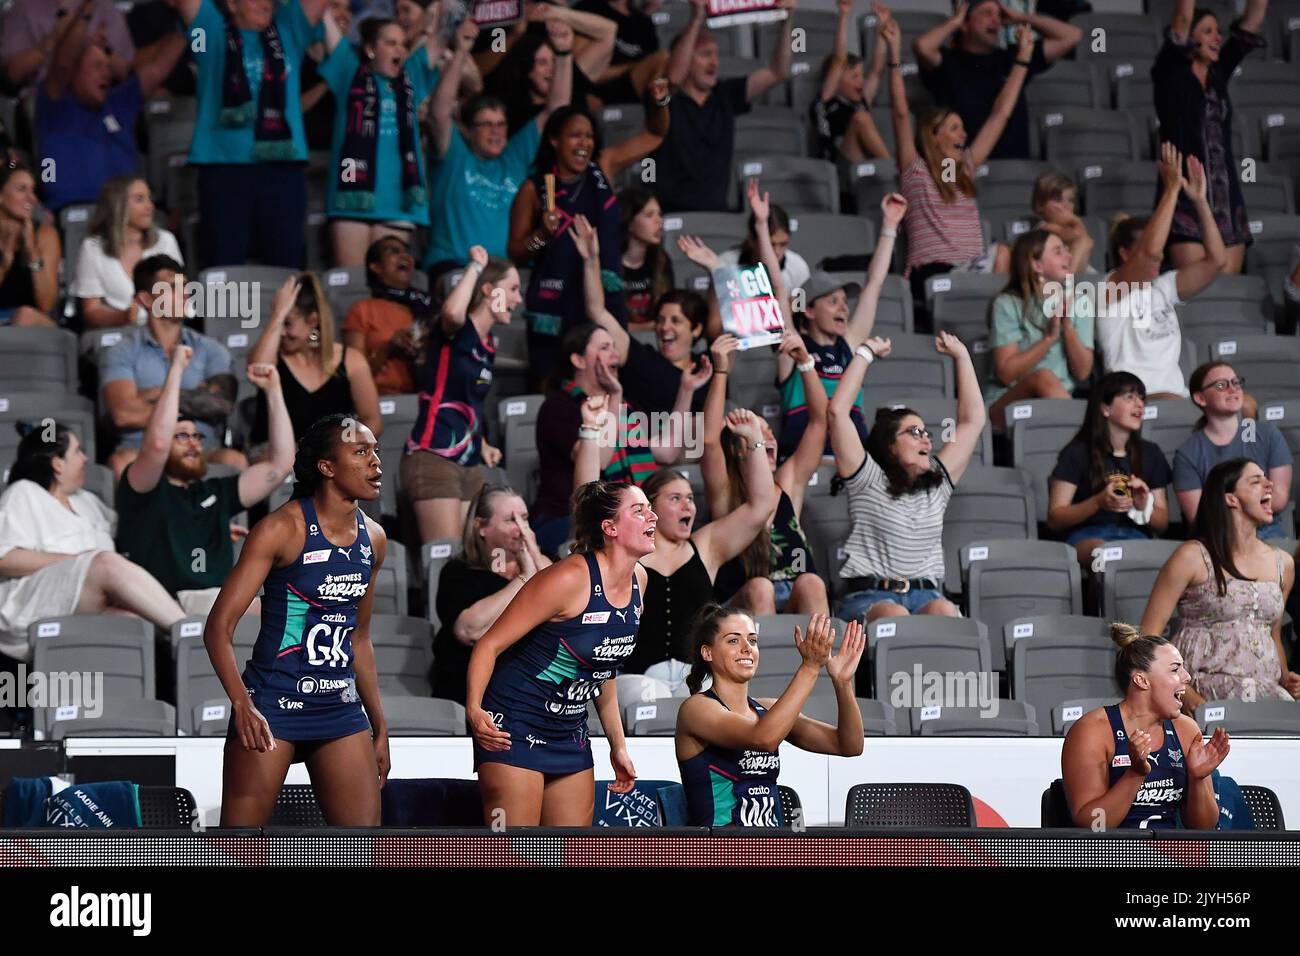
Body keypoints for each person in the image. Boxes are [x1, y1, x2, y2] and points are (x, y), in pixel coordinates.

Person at [205, 413, 390, 826]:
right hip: (273, 705)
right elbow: (218, 627)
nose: (376, 462)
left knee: (365, 853)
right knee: (237, 851)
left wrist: (379, 725)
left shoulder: (374, 538)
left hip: (340, 708)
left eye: (375, 450)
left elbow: (359, 639)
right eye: (360, 452)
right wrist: (243, 704)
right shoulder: (280, 530)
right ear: (327, 467)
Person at [466, 479, 652, 826]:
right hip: (515, 725)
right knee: (517, 857)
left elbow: (603, 668)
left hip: (569, 732)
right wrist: (475, 710)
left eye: (649, 508)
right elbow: (489, 644)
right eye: (639, 511)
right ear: (609, 527)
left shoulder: (640, 580)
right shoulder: (567, 579)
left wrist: (618, 746)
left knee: (568, 855)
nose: (651, 517)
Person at [115, 344, 295, 616]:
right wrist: (176, 370)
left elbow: (279, 466)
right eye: (182, 436)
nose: (193, 444)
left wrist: (273, 391)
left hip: (215, 602)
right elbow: (158, 444)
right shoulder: (143, 488)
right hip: (161, 604)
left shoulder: (215, 492)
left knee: (292, 606)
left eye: (197, 436)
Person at [509, 95, 669, 385]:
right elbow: (517, 253)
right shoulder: (533, 190)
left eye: (589, 136)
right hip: (555, 306)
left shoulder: (603, 167)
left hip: (604, 301)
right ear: (555, 141)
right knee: (555, 392)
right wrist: (541, 236)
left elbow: (656, 133)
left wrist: (660, 101)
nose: (584, 143)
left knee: (611, 385)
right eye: (575, 136)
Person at [0, 422, 185, 669]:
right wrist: (79, 561)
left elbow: (138, 532)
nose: (86, 458)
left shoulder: (87, 501)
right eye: (77, 451)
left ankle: (180, 674)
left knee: (137, 622)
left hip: (90, 601)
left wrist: (208, 532)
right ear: (57, 463)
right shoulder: (24, 493)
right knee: (105, 562)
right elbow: (5, 559)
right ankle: (193, 634)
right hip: (32, 604)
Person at [830, 332, 984, 623]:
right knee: (896, 615)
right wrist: (865, 353)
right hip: (872, 596)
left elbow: (972, 421)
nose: (926, 440)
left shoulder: (937, 483)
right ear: (890, 445)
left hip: (927, 595)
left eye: (926, 433)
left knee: (945, 612)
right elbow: (838, 413)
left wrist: (962, 356)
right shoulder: (867, 479)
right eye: (913, 433)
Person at [621, 412, 778, 682]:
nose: (688, 506)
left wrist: (754, 439)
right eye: (675, 498)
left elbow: (761, 506)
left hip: (696, 677)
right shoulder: (629, 552)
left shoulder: (706, 546)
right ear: (650, 506)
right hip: (638, 678)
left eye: (691, 499)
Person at [176, 0, 331, 269]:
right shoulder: (208, 30)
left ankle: (285, 313)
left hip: (282, 170)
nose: (265, 3)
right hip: (223, 170)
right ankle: (223, 314)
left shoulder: (288, 28)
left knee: (286, 266)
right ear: (232, 5)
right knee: (222, 268)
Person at [677, 608, 865, 827]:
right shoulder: (696, 709)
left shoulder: (767, 709)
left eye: (753, 640)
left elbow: (849, 745)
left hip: (770, 849)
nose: (747, 648)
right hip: (720, 852)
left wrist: (842, 683)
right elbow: (763, 739)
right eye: (733, 641)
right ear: (707, 653)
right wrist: (810, 667)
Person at [1142, 458, 1299, 709]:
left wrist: (1286, 678)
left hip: (1265, 693)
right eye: (1256, 481)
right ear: (1230, 498)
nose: (1269, 485)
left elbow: (1272, 635)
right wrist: (1187, 696)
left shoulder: (1283, 563)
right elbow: (1147, 638)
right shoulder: (1192, 557)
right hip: (1203, 692)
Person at [886, 16, 1019, 311]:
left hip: (971, 270)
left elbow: (1001, 114)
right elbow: (899, 113)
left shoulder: (965, 169)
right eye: (955, 128)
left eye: (963, 128)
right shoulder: (915, 171)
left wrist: (1021, 61)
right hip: (933, 273)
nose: (964, 134)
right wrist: (894, 55)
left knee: (1009, 258)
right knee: (1002, 256)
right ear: (934, 135)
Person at [531, 323, 699, 554]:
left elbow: (667, 451)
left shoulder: (624, 408)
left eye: (614, 346)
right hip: (564, 518)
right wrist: (616, 397)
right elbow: (601, 459)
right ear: (579, 361)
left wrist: (686, 390)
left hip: (620, 516)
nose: (615, 354)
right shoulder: (558, 407)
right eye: (604, 347)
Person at [422, 17, 568, 276]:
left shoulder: (513, 157)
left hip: (506, 271)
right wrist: (461, 52)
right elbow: (439, 113)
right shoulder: (453, 155)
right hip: (457, 268)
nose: (496, 132)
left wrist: (564, 53)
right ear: (468, 130)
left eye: (501, 125)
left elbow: (556, 111)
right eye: (486, 125)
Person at [705, 330, 830, 616]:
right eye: (758, 433)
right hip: (742, 606)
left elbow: (819, 423)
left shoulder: (785, 482)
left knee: (811, 582)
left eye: (769, 432)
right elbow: (710, 441)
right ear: (738, 449)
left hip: (794, 599)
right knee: (762, 588)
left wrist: (805, 362)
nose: (768, 439)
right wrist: (721, 371)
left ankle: (823, 660)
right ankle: (766, 661)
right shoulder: (727, 492)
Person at [1061, 622, 1229, 829]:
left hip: (1170, 857)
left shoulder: (1186, 730)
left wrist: (1197, 779)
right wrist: (1135, 775)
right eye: (1175, 669)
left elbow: (1203, 829)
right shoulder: (1092, 730)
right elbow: (1093, 824)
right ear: (1141, 680)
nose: (1187, 677)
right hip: (1114, 857)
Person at [402, 245, 518, 545]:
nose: (518, 299)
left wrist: (484, 444)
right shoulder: (457, 329)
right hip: (434, 455)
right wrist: (476, 267)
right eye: (513, 289)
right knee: (446, 558)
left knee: (470, 559)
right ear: (490, 290)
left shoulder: (488, 344)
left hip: (469, 461)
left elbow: (469, 402)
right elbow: (452, 311)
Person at [1097, 144, 1225, 402]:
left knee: (1245, 405)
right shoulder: (1110, 288)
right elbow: (1150, 255)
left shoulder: (1163, 287)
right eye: (1148, 242)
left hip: (1177, 397)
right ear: (1124, 253)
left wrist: (1199, 202)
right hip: (1133, 399)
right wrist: (1171, 190)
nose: (1160, 252)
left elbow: (1216, 260)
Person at [100, 255, 244, 478]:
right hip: (143, 449)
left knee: (234, 461)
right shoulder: (122, 351)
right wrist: (195, 398)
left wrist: (157, 395)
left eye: (185, 286)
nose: (185, 293)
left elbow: (221, 402)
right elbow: (122, 414)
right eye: (172, 287)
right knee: (121, 462)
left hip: (201, 448)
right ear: (147, 300)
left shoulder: (211, 349)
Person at [1152, 0, 1269, 274]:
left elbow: (1252, 20)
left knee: (1226, 292)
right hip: (1185, 198)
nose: (1218, 37)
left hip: (1227, 202)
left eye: (1217, 31)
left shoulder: (1218, 73)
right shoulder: (1169, 73)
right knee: (1197, 294)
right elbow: (1181, 18)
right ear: (1189, 38)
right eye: (1207, 31)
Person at [649, 0, 796, 212]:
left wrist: (787, 21)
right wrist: (697, 17)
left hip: (718, 214)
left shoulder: (724, 94)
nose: (715, 62)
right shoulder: (666, 100)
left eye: (716, 54)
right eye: (705, 54)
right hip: (673, 213)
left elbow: (777, 71)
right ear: (685, 57)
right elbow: (673, 78)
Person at [318, 12, 440, 267]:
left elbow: (442, 34)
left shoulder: (412, 78)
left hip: (398, 204)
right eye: (391, 43)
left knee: (389, 292)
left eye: (403, 44)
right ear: (371, 49)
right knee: (351, 288)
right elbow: (325, 18)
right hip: (352, 203)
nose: (400, 50)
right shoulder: (348, 72)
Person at [36, 8, 186, 212]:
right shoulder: (54, 105)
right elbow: (62, 61)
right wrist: (86, 10)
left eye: (108, 67)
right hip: (72, 216)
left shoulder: (119, 103)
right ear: (73, 74)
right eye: (97, 66)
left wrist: (190, 22)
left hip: (126, 215)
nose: (106, 73)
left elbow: (157, 69)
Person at [572, 212, 708, 416]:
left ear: (696, 329)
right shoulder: (643, 360)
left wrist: (715, 269)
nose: (664, 327)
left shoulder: (707, 369)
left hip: (693, 446)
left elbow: (728, 326)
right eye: (660, 320)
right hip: (645, 445)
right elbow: (597, 312)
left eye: (676, 320)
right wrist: (591, 261)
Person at [915, 0, 1082, 161]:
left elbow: (1072, 36)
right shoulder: (948, 61)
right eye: (987, 14)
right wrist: (955, 22)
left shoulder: (1013, 57)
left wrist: (1022, 17)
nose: (996, 21)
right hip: (962, 168)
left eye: (999, 15)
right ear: (965, 24)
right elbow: (922, 46)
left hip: (1013, 170)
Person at [432, 484, 552, 704]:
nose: (522, 529)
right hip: (472, 692)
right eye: (510, 520)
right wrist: (524, 579)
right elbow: (469, 630)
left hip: (535, 692)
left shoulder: (548, 565)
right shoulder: (458, 573)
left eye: (524, 518)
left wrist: (535, 556)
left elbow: (564, 611)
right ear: (481, 527)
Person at [248, 273, 383, 459]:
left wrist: (343, 445)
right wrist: (278, 315)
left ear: (312, 320)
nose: (281, 333)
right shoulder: (273, 357)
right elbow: (257, 369)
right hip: (274, 456)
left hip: (332, 455)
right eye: (278, 324)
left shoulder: (351, 360)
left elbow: (372, 419)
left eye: (287, 323)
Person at [1046, 371, 1172, 567]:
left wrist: (1143, 506)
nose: (1139, 404)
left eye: (1141, 397)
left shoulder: (1151, 453)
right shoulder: (1077, 452)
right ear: (1105, 408)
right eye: (1130, 397)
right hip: (1087, 536)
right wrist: (1097, 502)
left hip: (1137, 536)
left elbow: (1162, 523)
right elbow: (1055, 518)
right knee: (1107, 556)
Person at [985, 228, 1095, 431]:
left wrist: (1067, 327)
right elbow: (1006, 374)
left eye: (1066, 250)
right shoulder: (1007, 303)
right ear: (1036, 265)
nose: (1068, 256)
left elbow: (1083, 372)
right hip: (1008, 403)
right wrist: (1049, 338)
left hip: (1059, 403)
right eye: (1057, 251)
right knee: (1042, 377)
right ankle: (1084, 441)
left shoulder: (1080, 301)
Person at [1174, 363, 1290, 537]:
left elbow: (1279, 497)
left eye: (1236, 383)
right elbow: (1198, 517)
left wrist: (1232, 506)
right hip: (1220, 536)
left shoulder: (1266, 434)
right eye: (1221, 385)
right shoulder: (1188, 453)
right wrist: (1251, 505)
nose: (1232, 389)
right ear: (1200, 398)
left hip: (1266, 532)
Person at [71, 175, 184, 329]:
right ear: (118, 205)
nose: (149, 206)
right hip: (118, 332)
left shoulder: (165, 241)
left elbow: (181, 296)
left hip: (164, 329)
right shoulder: (92, 248)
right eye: (139, 199)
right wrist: (123, 317)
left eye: (149, 198)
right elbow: (92, 310)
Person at [486, 4, 617, 134]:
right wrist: (514, 33)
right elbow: (497, 52)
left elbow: (609, 30)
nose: (551, 70)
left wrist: (554, 12)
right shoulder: (510, 108)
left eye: (555, 61)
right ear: (527, 69)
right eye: (542, 63)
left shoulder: (571, 77)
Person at [342, 235, 430, 396]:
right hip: (375, 399)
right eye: (393, 251)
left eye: (407, 252)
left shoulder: (428, 308)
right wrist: (388, 348)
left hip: (422, 400)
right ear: (375, 267)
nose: (405, 256)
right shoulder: (362, 310)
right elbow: (352, 377)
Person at [812, 0, 891, 165]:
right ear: (835, 79)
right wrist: (845, 15)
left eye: (862, 75)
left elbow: (877, 69)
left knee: (863, 116)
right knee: (861, 118)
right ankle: (894, 169)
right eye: (854, 76)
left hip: (861, 165)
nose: (862, 81)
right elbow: (839, 61)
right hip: (836, 166)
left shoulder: (861, 101)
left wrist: (882, 26)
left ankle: (890, 171)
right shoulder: (824, 102)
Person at [3, 0, 134, 95]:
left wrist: (101, 49)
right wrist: (52, 40)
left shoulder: (105, 7)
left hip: (98, 103)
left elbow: (127, 73)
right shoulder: (24, 7)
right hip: (47, 103)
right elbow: (12, 74)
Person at [0, 164, 60, 328]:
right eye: (21, 189)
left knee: (24, 316)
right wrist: (5, 261)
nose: (31, 198)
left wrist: (32, 252)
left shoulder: (46, 235)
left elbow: (46, 305)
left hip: (33, 324)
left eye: (33, 191)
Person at [575, 0, 668, 105]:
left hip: (632, 88)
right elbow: (579, 71)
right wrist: (633, 67)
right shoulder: (589, 8)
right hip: (593, 88)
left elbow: (656, 68)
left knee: (664, 60)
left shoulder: (644, 24)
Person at [617, 186, 675, 331]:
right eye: (649, 215)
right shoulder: (607, 264)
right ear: (629, 222)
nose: (659, 221)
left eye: (659, 215)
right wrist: (644, 327)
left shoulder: (662, 261)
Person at [1030, 171, 1093, 276]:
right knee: (1084, 242)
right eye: (1058, 200)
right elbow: (1077, 236)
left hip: (1081, 276)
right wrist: (1076, 220)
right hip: (1053, 278)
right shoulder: (1044, 227)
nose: (1066, 206)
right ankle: (1066, 286)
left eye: (1071, 200)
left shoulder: (1071, 229)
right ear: (1040, 205)